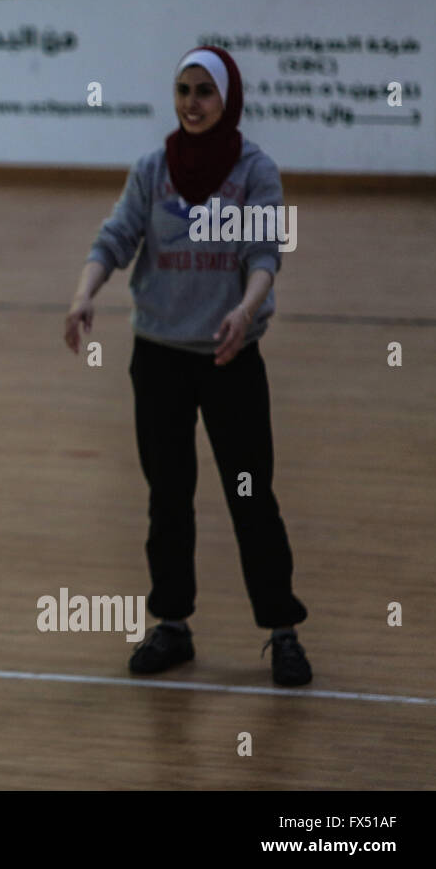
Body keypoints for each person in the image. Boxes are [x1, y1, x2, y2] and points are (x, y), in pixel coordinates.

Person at [63, 46, 312, 686]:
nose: (192, 102)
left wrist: (245, 311)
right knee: (167, 496)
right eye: (183, 90)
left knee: (251, 496)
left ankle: (283, 631)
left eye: (204, 91)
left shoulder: (256, 170)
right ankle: (172, 625)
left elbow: (265, 255)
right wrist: (84, 292)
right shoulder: (153, 168)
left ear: (226, 98)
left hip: (231, 357)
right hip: (159, 359)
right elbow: (115, 237)